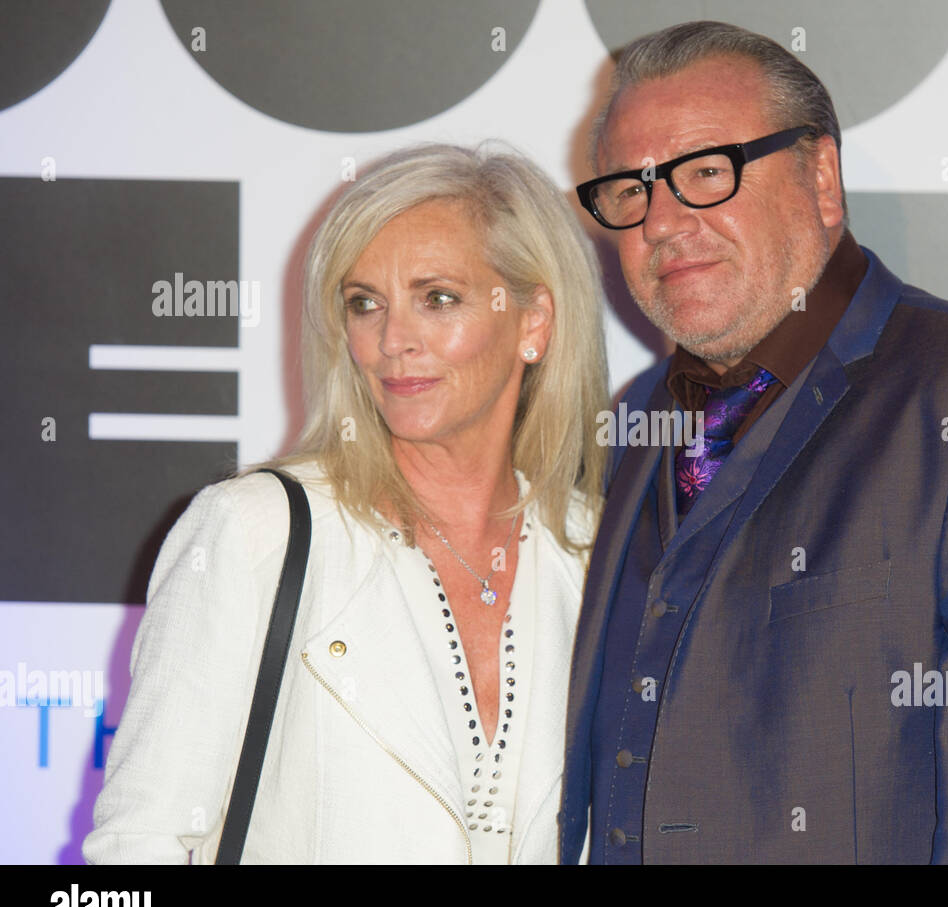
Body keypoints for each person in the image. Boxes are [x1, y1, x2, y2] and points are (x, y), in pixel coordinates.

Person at [561, 21, 948, 864]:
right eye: (631, 190)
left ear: (822, 177)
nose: (663, 222)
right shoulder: (637, 420)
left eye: (707, 173)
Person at [83, 142, 608, 864]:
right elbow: (136, 850)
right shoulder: (254, 532)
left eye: (437, 299)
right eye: (365, 305)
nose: (392, 342)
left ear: (533, 322)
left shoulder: (599, 557)